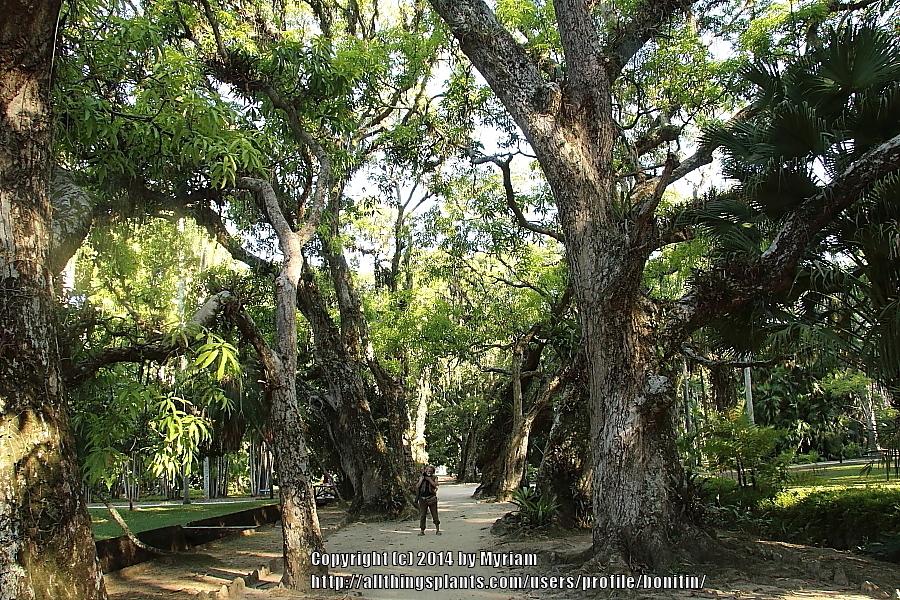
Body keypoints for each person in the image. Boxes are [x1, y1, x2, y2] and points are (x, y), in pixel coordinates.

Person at [415, 465, 440, 535]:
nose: (429, 472)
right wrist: (421, 479)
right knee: (422, 515)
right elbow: (417, 486)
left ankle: (437, 529)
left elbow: (436, 485)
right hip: (422, 499)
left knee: (434, 514)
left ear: (433, 472)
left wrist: (429, 479)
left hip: (431, 498)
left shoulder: (434, 477)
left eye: (430, 471)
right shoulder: (422, 477)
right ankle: (422, 530)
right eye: (427, 470)